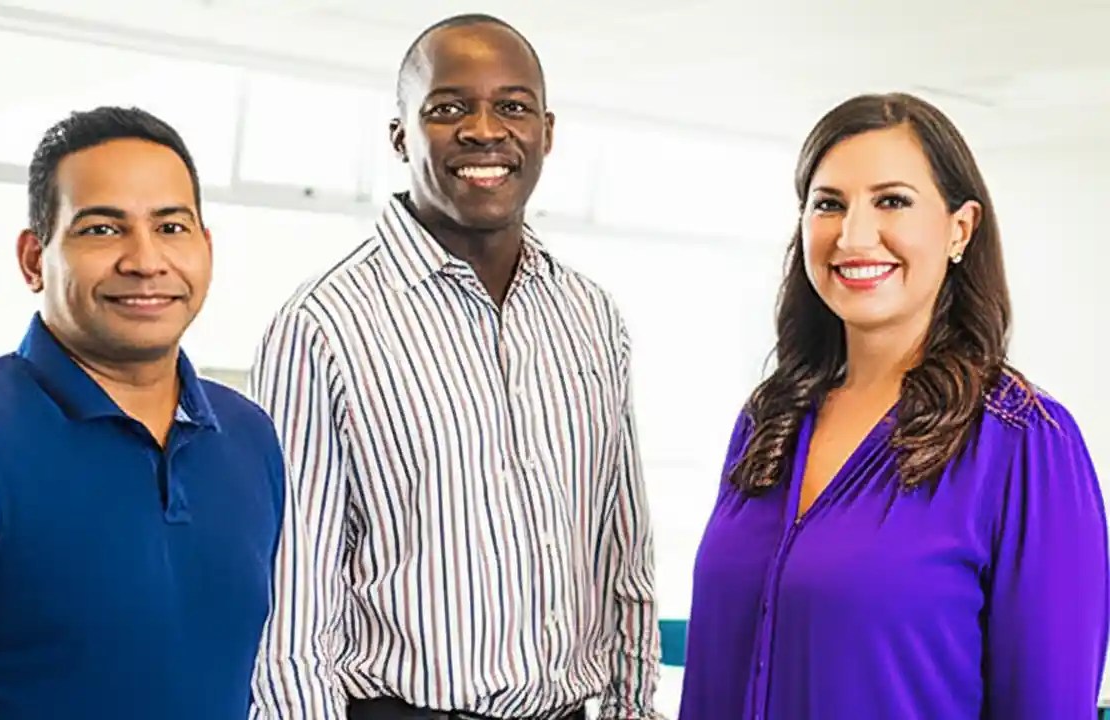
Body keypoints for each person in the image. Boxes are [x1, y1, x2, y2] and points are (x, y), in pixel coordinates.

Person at [249, 13, 662, 720]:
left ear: (546, 132)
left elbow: (621, 553)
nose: (483, 130)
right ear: (401, 135)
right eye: (447, 108)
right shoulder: (322, 326)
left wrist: (632, 709)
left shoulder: (592, 318)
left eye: (512, 106)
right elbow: (292, 616)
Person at [0, 106, 285, 719]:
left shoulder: (248, 435)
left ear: (206, 247)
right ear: (33, 258)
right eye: (102, 229)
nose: (146, 260)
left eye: (171, 227)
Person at [677, 92, 1109, 720]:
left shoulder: (1025, 444)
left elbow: (1047, 705)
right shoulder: (767, 422)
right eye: (829, 204)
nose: (853, 235)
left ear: (959, 228)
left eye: (892, 201)